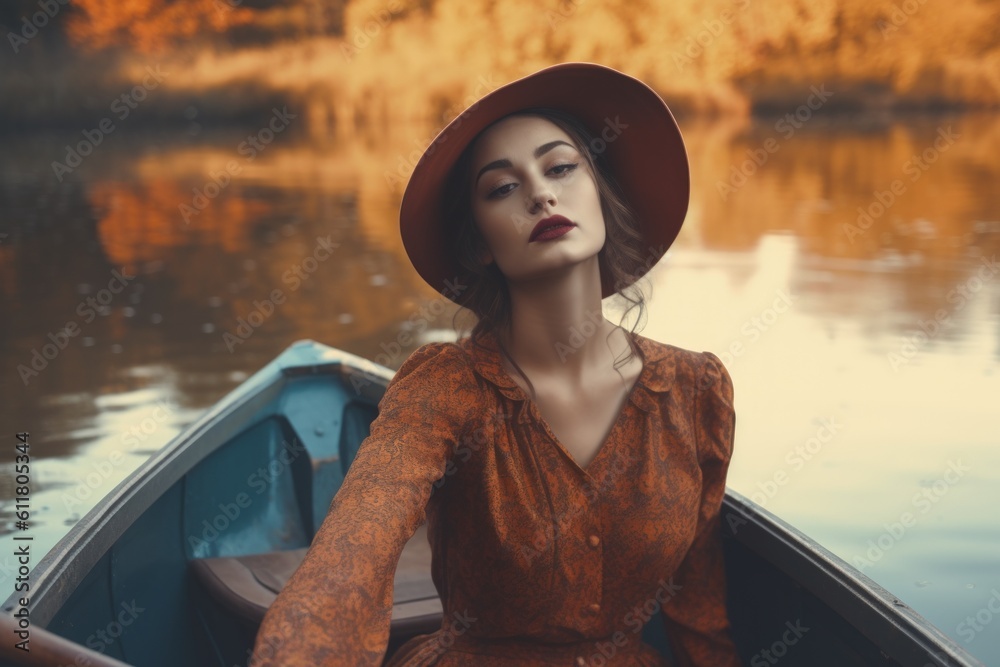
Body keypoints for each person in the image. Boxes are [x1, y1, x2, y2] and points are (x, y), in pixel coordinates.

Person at [249, 62, 741, 667]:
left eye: (560, 167)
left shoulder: (695, 391)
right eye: (502, 188)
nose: (540, 193)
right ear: (480, 243)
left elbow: (699, 612)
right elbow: (353, 554)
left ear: (601, 196)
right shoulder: (446, 388)